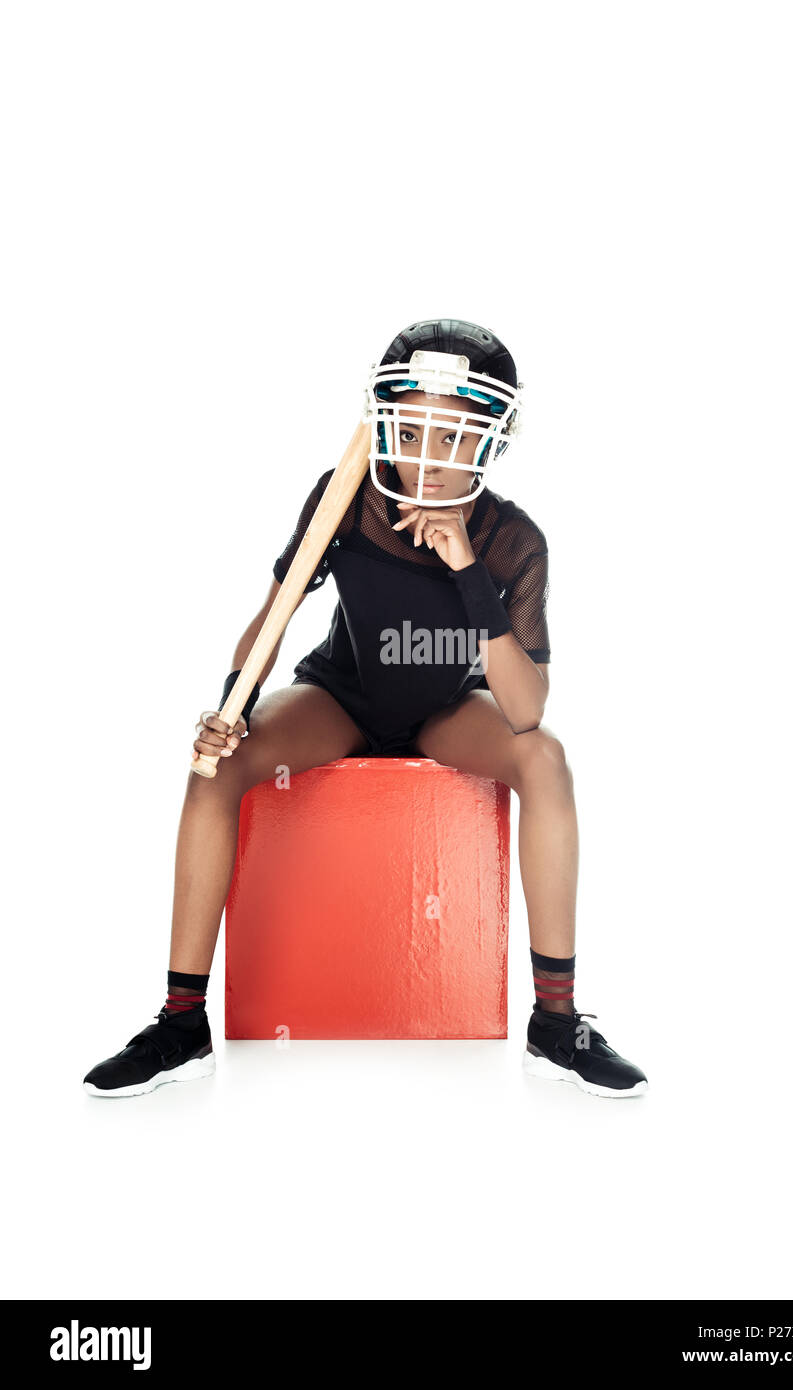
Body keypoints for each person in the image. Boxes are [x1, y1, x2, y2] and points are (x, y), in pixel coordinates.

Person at [83, 318, 648, 1100]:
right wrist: (231, 708)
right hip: (340, 696)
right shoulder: (346, 496)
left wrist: (467, 569)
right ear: (382, 427)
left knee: (546, 758)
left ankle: (556, 1020)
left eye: (454, 437)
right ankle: (181, 1021)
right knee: (215, 764)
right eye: (410, 431)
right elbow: (276, 611)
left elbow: (523, 712)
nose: (428, 457)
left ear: (490, 442)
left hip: (448, 706)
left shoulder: (513, 538)